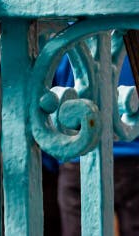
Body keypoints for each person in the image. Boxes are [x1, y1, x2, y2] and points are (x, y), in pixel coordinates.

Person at [55, 56, 139, 236]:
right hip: (133, 154)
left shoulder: (65, 42)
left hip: (78, 156)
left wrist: (57, 160)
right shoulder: (130, 34)